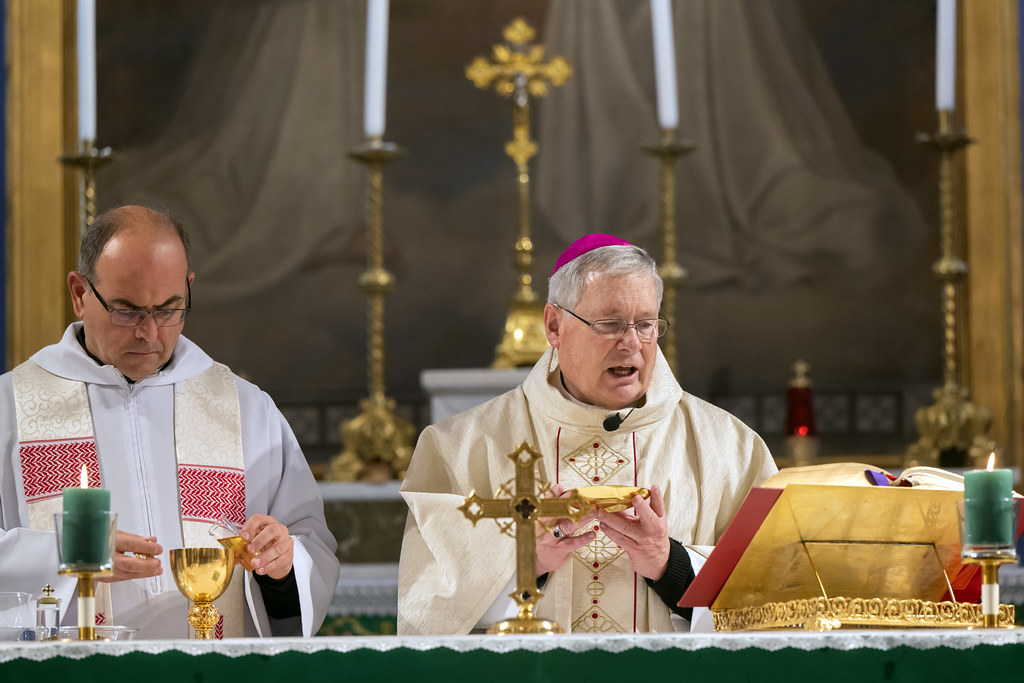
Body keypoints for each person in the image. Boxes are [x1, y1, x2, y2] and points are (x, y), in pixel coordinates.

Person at [398, 234, 777, 634]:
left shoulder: (731, 449)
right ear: (554, 325)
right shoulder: (460, 449)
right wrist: (528, 562)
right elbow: (425, 607)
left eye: (646, 324)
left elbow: (778, 595)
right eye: (609, 324)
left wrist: (671, 565)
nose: (632, 343)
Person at [0, 205, 340, 638]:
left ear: (188, 289)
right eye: (126, 311)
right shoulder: (10, 408)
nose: (149, 333)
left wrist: (281, 564)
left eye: (168, 309)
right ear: (80, 293)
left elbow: (308, 542)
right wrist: (64, 555)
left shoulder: (245, 408)